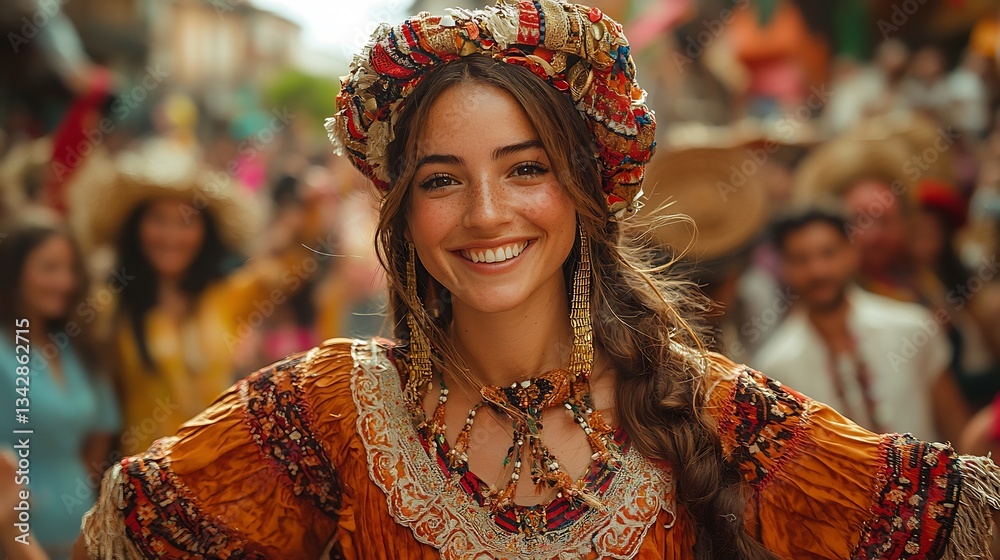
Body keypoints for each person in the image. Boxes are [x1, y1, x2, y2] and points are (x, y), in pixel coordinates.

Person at [74, 2, 1000, 558]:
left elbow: (945, 522)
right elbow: (131, 531)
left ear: (586, 190)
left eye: (526, 169)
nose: (486, 214)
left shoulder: (710, 409)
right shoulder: (327, 412)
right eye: (441, 179)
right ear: (401, 210)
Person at [68, 144, 323, 455]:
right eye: (158, 220)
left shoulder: (226, 297)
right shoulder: (107, 306)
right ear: (135, 229)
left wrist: (310, 209)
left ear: (206, 233)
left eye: (186, 222)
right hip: (144, 486)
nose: (171, 236)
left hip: (221, 480)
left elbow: (297, 266)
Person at [752, 206, 971, 442]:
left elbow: (957, 428)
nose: (817, 270)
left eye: (828, 253)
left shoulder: (912, 327)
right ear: (783, 268)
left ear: (852, 253)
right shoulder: (775, 367)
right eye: (800, 259)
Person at [0, 221, 120, 559]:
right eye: (49, 268)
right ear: (14, 272)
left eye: (70, 270)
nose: (63, 282)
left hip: (78, 532)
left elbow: (101, 432)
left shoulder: (78, 348)